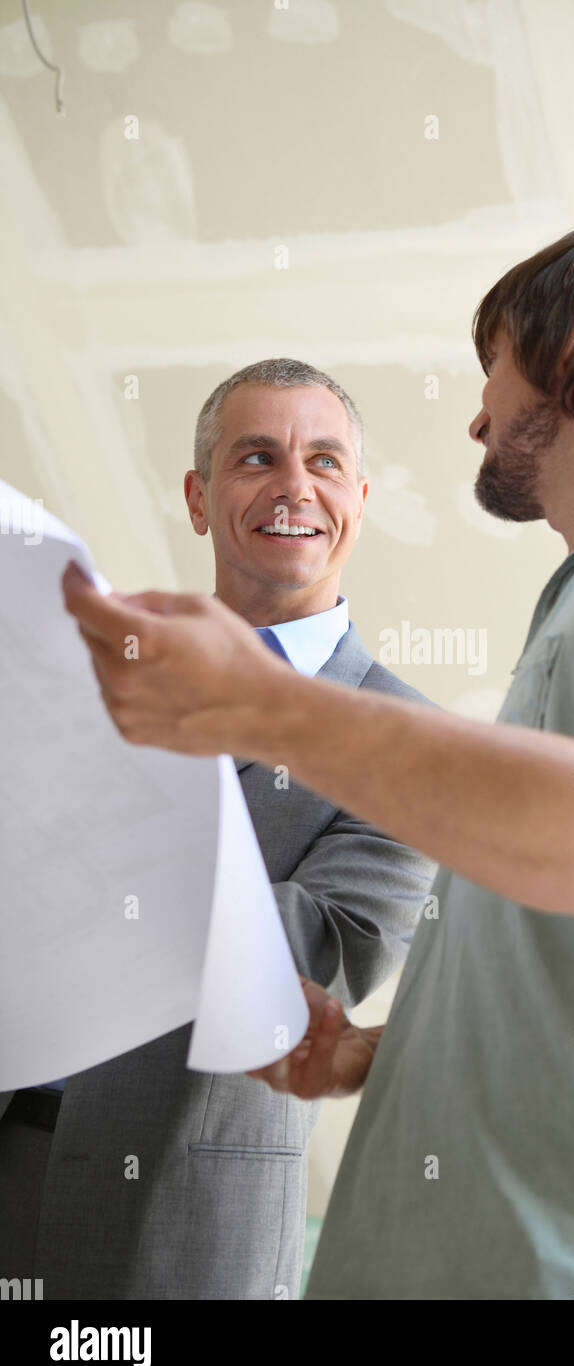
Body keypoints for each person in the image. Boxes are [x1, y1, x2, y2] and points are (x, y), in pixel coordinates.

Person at [63, 215, 574, 1300]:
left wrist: (265, 704)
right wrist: (374, 1057)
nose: (477, 418)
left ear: (568, 333)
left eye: (493, 369)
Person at [0, 358, 435, 1300]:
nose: (294, 487)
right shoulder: (85, 675)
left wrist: (76, 868)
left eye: (324, 462)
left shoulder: (403, 741)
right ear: (199, 499)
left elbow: (312, 959)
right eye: (256, 457)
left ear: (358, 500)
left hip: (177, 1225)